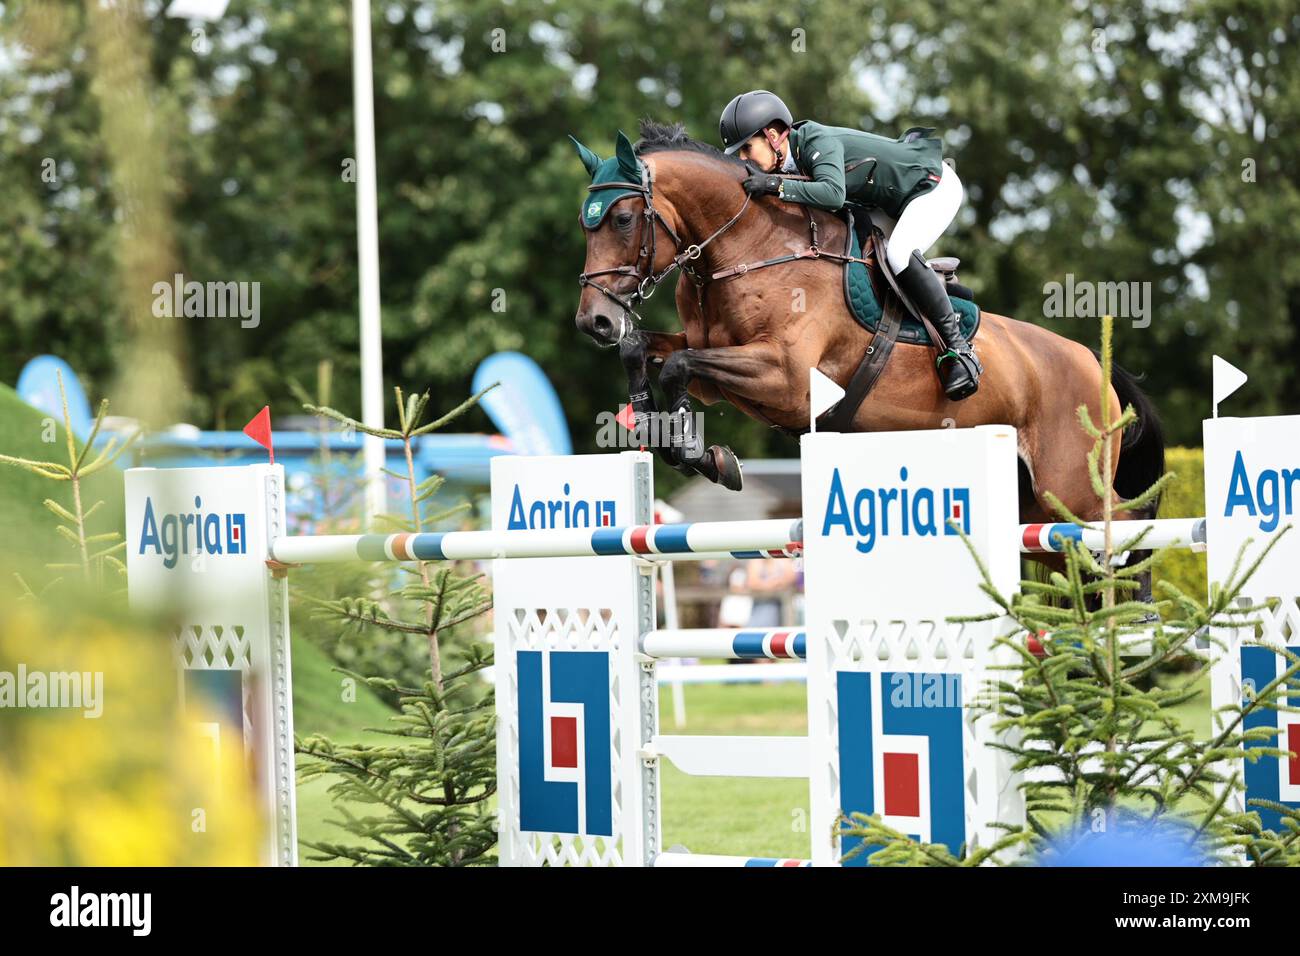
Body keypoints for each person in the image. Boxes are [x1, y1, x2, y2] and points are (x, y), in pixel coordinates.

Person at [718, 90, 982, 401]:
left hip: (932, 187)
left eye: (747, 148)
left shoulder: (815, 140)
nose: (743, 159)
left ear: (773, 136)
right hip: (889, 202)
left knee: (898, 254)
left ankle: (960, 350)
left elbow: (831, 193)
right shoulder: (786, 163)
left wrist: (774, 186)